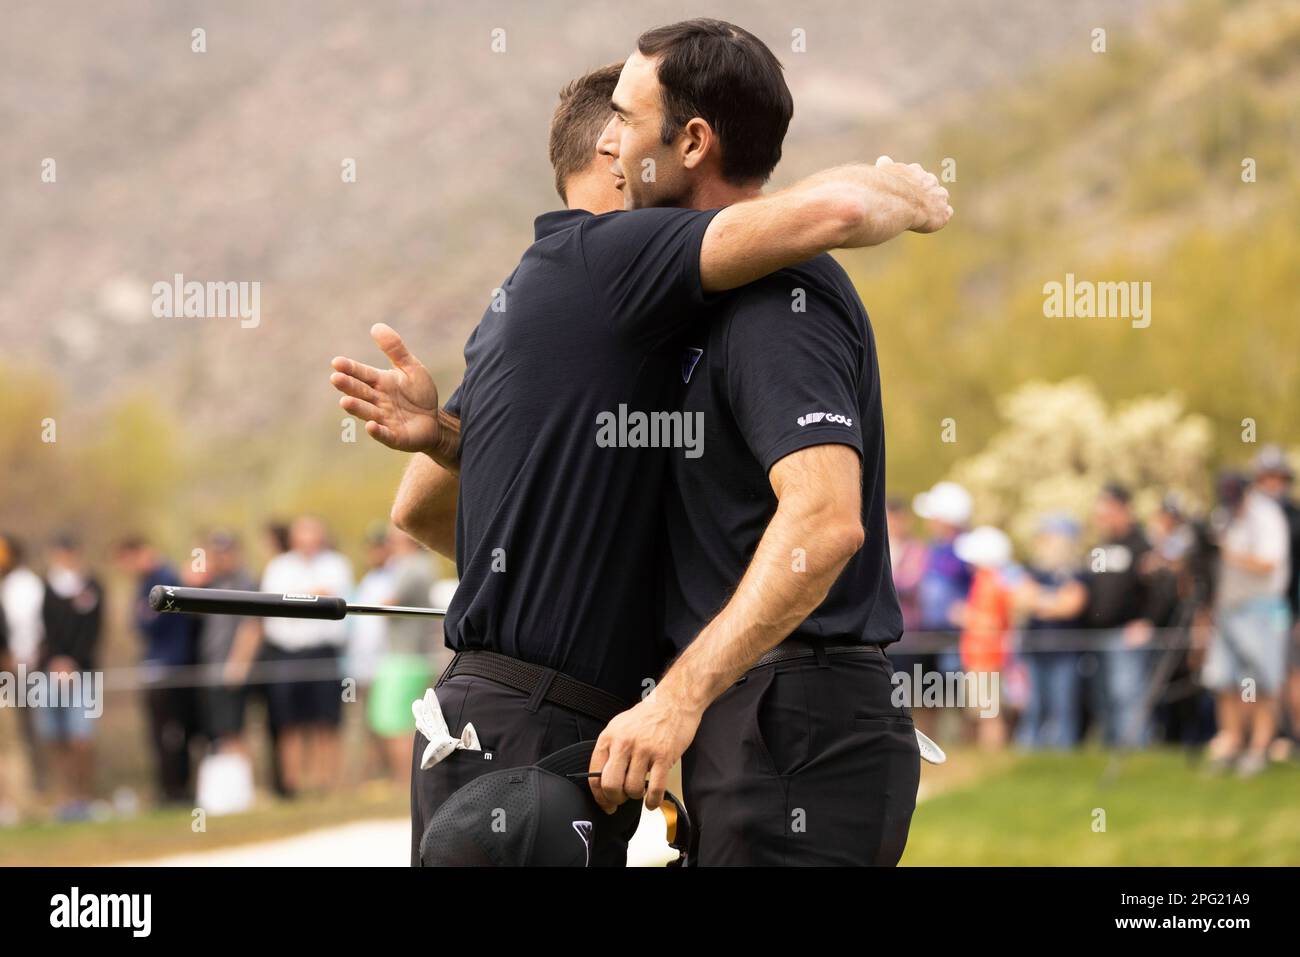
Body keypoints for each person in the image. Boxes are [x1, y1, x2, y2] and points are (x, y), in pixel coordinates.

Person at [330, 30, 949, 865]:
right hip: (715, 710)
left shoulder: (770, 293)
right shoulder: (629, 275)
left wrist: (675, 692)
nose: (612, 144)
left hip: (790, 707)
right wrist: (895, 189)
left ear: (691, 143)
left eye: (626, 118)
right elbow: (830, 207)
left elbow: (827, 520)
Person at [256, 516, 354, 794]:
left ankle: (327, 783)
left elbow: (332, 598)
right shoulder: (279, 566)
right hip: (288, 653)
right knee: (290, 722)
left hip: (324, 651)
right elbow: (276, 605)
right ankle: (294, 784)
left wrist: (298, 598)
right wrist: (310, 597)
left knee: (327, 720)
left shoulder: (336, 564)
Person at [1203, 471, 1291, 776]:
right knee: (1224, 680)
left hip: (1261, 609)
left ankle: (1258, 749)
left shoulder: (1266, 516)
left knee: (1262, 681)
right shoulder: (1223, 516)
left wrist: (1228, 553)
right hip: (1227, 609)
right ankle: (1232, 745)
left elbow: (1269, 563)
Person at [114, 537, 200, 804]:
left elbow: (155, 621)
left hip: (173, 668)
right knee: (158, 734)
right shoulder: (144, 583)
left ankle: (178, 791)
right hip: (154, 666)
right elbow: (137, 622)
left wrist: (146, 616)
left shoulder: (166, 579)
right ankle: (167, 790)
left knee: (173, 733)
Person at [1082, 483, 1159, 748]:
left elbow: (1161, 586)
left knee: (1127, 694)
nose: (1103, 517)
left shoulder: (1142, 544)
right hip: (1098, 635)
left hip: (1127, 635)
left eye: (1109, 511)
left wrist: (1148, 619)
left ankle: (1133, 749)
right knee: (1104, 697)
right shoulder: (1100, 547)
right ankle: (1112, 746)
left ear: (1123, 509)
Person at [37, 535, 104, 819]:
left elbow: (93, 630)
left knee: (81, 737)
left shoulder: (91, 586)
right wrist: (55, 661)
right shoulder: (44, 587)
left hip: (83, 672)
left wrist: (72, 661)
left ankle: (84, 798)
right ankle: (63, 799)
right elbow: (42, 629)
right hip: (47, 672)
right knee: (55, 738)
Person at [368, 528, 438, 782]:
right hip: (408, 655)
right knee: (399, 722)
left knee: (400, 725)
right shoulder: (417, 566)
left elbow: (387, 604)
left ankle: (405, 782)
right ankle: (405, 782)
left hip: (406, 656)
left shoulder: (412, 566)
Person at [1015, 515, 1089, 750]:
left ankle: (1063, 750)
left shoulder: (1077, 572)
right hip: (1035, 648)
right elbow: (1021, 598)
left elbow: (1071, 606)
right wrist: (1053, 600)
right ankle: (1030, 749)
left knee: (1063, 705)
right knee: (1034, 704)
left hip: (1064, 650)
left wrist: (1040, 600)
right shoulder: (1033, 568)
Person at [1248, 446, 1300, 758]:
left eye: (1278, 477)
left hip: (1287, 610)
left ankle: (1293, 737)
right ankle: (1262, 739)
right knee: (1258, 677)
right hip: (1251, 611)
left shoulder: (1295, 519)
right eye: (1266, 477)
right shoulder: (1247, 517)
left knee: (1292, 674)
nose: (1272, 484)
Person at [196, 531, 259, 755]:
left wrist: (238, 664)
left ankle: (239, 783)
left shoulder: (244, 582)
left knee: (233, 730)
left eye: (226, 553)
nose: (222, 558)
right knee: (217, 733)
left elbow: (251, 627)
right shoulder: (210, 581)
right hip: (211, 668)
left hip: (230, 669)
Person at [1, 534, 49, 794]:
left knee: (24, 736)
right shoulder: (7, 585)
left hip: (21, 669)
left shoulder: (25, 585)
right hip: (11, 669)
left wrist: (21, 661)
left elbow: (31, 629)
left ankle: (31, 794)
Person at [913, 481, 975, 676]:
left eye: (934, 517)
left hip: (957, 639)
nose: (929, 522)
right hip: (931, 635)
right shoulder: (936, 547)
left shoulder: (969, 549)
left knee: (957, 696)